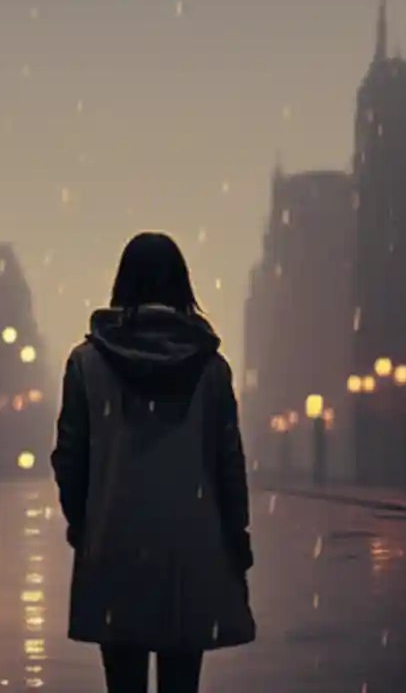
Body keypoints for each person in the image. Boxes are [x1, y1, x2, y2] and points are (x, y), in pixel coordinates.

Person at [51, 232, 256, 693]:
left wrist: (83, 522)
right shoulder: (209, 367)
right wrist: (235, 533)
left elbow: (69, 456)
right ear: (183, 287)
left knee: (123, 681)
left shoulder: (87, 363)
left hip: (114, 538)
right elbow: (228, 462)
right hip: (191, 541)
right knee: (181, 681)